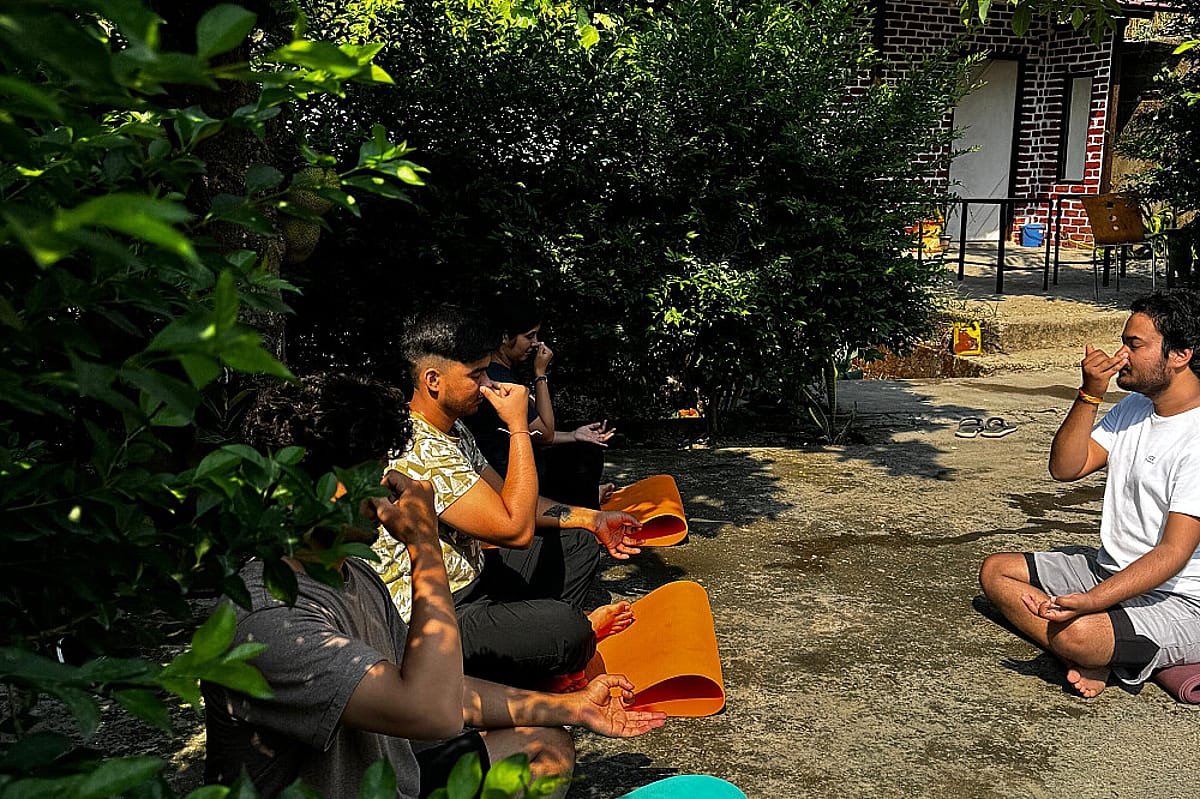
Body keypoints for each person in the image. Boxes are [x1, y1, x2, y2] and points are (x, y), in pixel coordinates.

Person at [202, 373, 666, 798]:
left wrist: (571, 708)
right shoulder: (272, 621)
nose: (387, 488)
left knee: (547, 746)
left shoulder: (353, 574)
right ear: (308, 489)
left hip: (393, 776)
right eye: (368, 476)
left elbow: (449, 689)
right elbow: (433, 711)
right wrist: (423, 545)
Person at [373, 307, 643, 689]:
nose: (487, 385)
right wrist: (518, 426)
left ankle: (541, 651)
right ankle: (554, 649)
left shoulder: (451, 429)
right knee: (568, 628)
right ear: (433, 380)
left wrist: (590, 518)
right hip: (437, 615)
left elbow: (510, 497)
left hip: (477, 576)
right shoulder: (419, 448)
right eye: (476, 375)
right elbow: (514, 530)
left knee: (578, 542)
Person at [979, 289, 1200, 697]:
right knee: (996, 571)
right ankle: (1094, 658)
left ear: (1180, 355)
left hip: (1182, 598)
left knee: (1077, 632)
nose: (1120, 354)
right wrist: (1090, 393)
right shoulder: (1135, 407)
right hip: (1112, 570)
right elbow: (1066, 468)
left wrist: (1092, 601)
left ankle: (1092, 650)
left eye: (1134, 344)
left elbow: (1173, 554)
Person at [462, 296, 614, 509]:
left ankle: (585, 498)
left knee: (582, 449)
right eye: (529, 336)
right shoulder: (498, 378)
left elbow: (535, 432)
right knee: (584, 456)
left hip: (520, 468)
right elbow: (545, 433)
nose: (536, 344)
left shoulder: (500, 372)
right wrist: (540, 373)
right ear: (505, 337)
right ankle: (585, 507)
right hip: (509, 478)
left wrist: (573, 435)